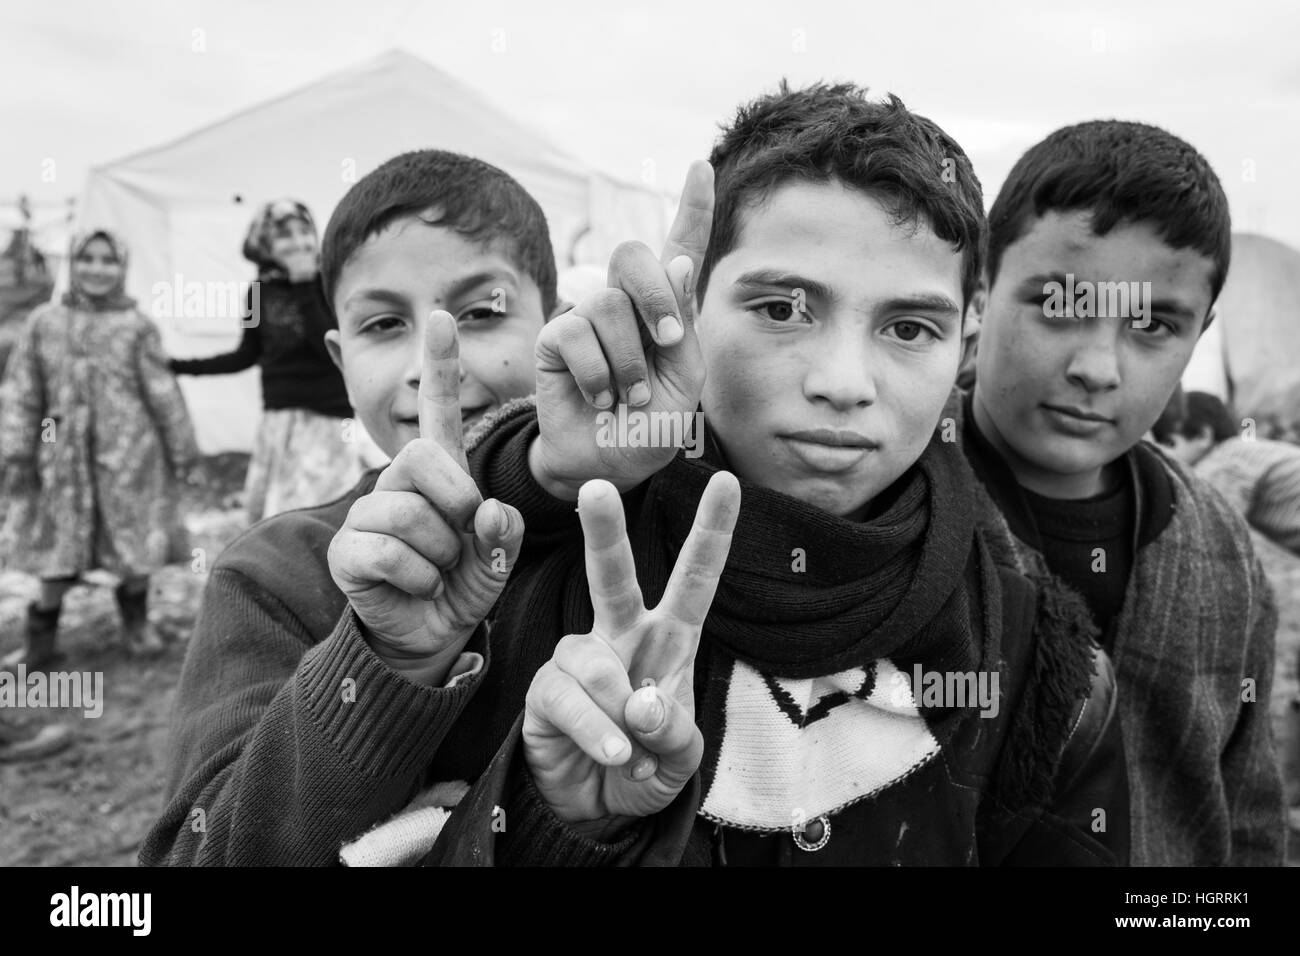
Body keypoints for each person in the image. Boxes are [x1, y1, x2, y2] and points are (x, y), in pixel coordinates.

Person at [428, 84, 1128, 866]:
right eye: (782, 310)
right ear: (689, 307)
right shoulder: (482, 580)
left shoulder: (1041, 671)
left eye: (909, 327)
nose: (843, 383)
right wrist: (566, 825)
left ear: (964, 338)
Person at [140, 150, 568, 866]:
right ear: (340, 363)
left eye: (481, 313)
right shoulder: (270, 575)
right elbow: (196, 852)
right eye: (383, 325)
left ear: (555, 325)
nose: (432, 364)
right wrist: (385, 662)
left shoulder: (630, 526)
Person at [959, 121, 1284, 864]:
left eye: (1154, 324)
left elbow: (1249, 814)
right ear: (980, 293)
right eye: (1058, 304)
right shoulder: (883, 493)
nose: (1099, 368)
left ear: (1199, 334)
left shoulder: (1224, 553)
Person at [0, 230, 197, 666]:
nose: (97, 268)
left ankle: (136, 624)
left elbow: (162, 392)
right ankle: (41, 639)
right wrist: (18, 449)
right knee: (57, 544)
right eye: (87, 258)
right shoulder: (45, 322)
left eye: (108, 260)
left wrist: (182, 451)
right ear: (72, 263)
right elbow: (24, 390)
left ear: (122, 267)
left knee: (133, 541)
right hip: (60, 451)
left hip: (130, 454)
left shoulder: (136, 326)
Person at [169, 199, 380, 524]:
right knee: (280, 518)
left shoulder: (330, 285)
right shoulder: (257, 293)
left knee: (321, 515)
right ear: (266, 243)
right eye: (284, 235)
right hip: (279, 423)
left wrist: (304, 284)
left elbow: (330, 347)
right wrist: (180, 366)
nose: (298, 242)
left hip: (326, 420)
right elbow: (246, 354)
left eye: (304, 231)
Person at [1154, 390, 1300, 555]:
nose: (1161, 453)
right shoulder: (1245, 450)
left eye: (1169, 443)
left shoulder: (1221, 463)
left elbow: (1214, 526)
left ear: (1203, 436)